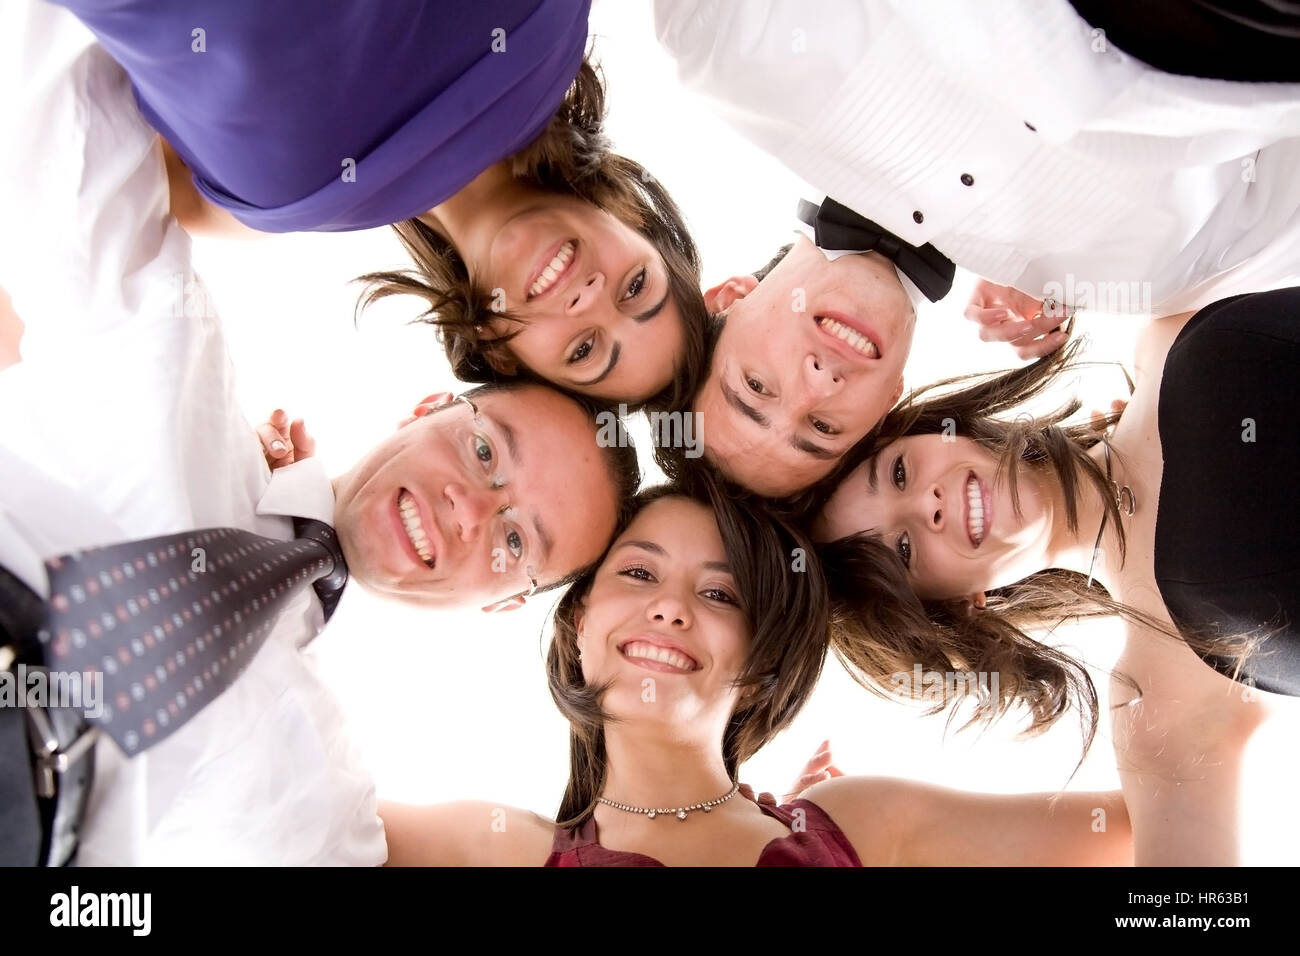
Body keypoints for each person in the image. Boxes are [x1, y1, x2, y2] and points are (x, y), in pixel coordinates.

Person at [0, 3, 636, 864]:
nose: (469, 509)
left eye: (517, 538)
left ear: (504, 601)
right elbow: (52, 95)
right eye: (486, 452)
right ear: (428, 408)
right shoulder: (169, 356)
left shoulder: (327, 812)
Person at [380, 475, 1133, 866]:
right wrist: (288, 532)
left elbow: (1182, 864)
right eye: (639, 574)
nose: (670, 608)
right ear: (579, 623)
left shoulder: (863, 829)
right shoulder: (490, 847)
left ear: (764, 661)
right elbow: (274, 813)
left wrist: (1113, 521)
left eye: (717, 593)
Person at [811, 291, 1300, 864]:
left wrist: (1053, 272)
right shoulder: (1155, 699)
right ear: (964, 603)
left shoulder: (1161, 334)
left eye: (897, 473)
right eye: (902, 550)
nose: (928, 506)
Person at [54, 0, 712, 408]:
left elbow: (68, 140)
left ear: (502, 353)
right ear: (635, 222)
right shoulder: (546, 21)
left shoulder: (260, 208)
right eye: (634, 286)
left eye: (585, 349)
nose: (590, 298)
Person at [655, 0, 1300, 351]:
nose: (819, 385)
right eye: (823, 430)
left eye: (756, 390)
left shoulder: (720, 39)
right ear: (889, 408)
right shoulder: (1138, 282)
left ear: (730, 299)